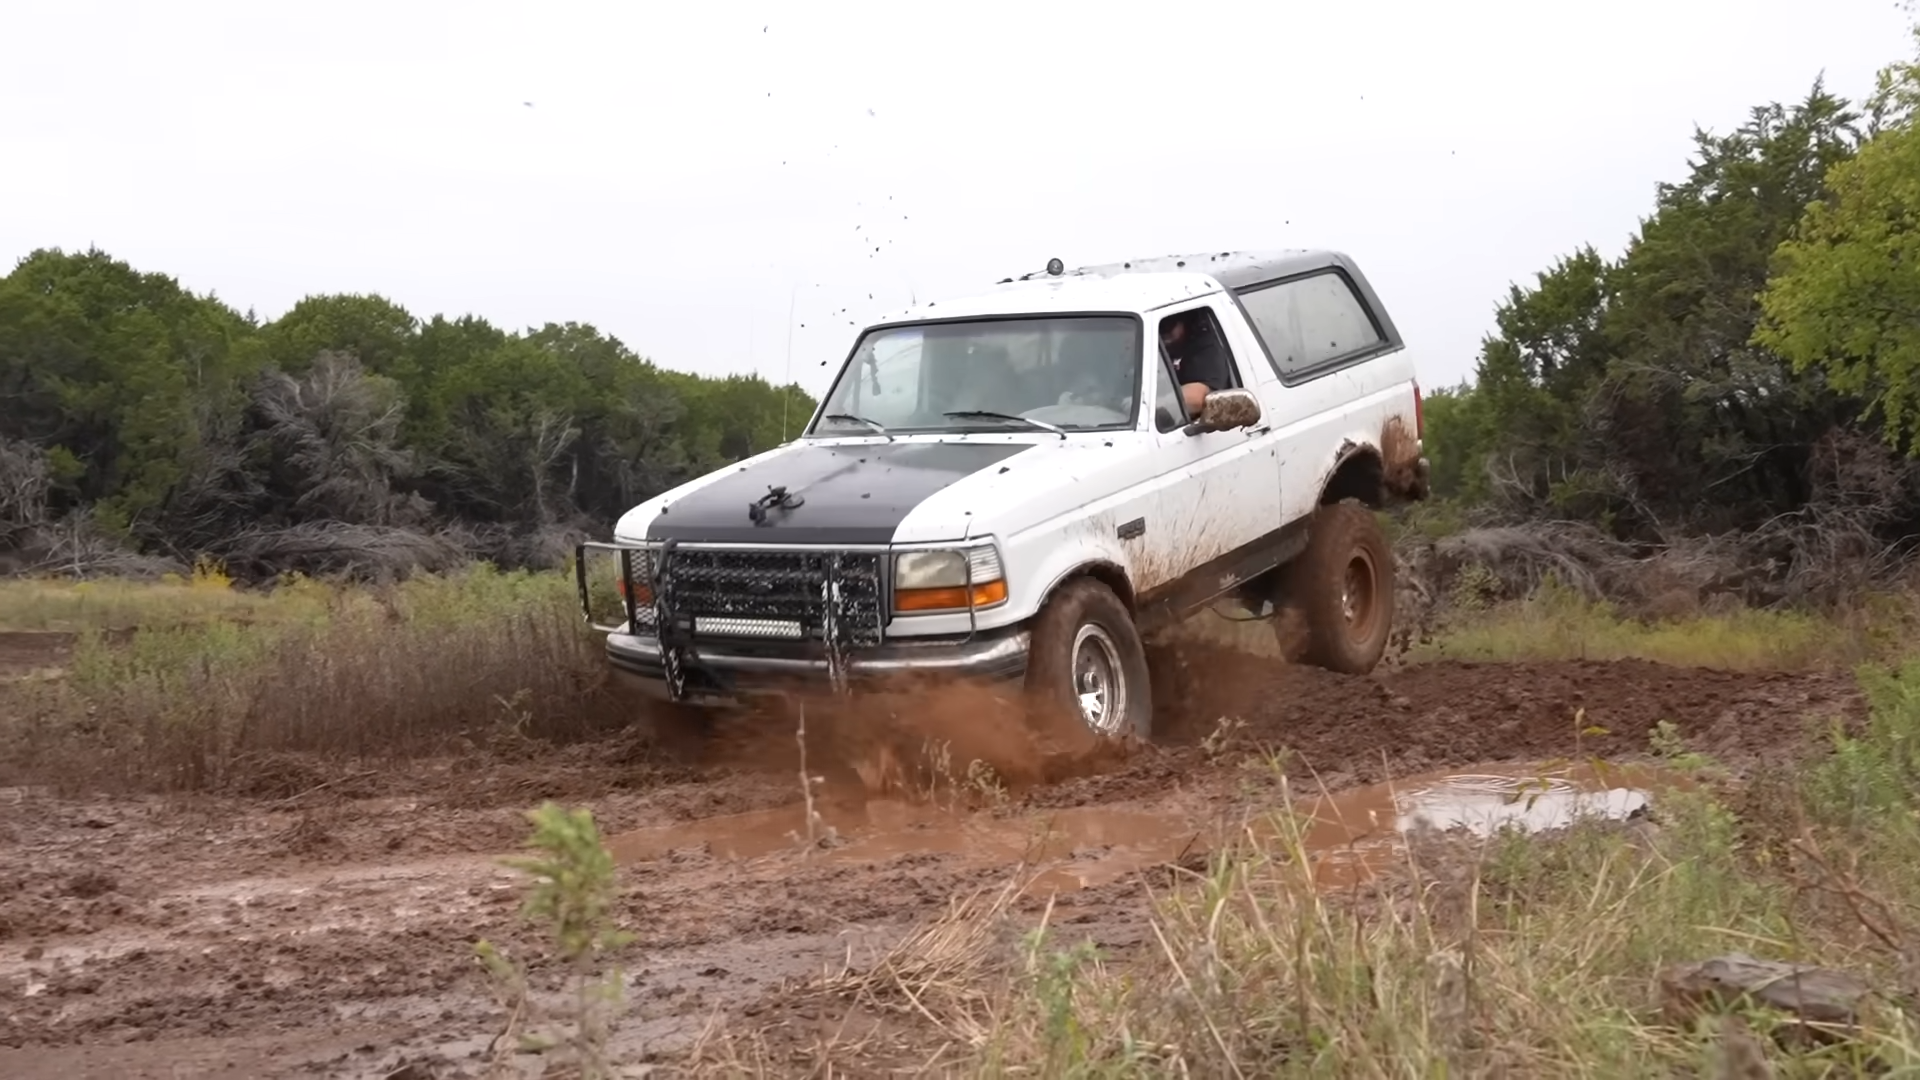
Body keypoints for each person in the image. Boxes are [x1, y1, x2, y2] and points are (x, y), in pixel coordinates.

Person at [1160, 313, 1231, 415]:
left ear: (1182, 323)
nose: (1163, 335)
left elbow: (1198, 398)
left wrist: (1154, 403)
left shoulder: (1207, 350)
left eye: (1167, 326)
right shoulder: (1153, 347)